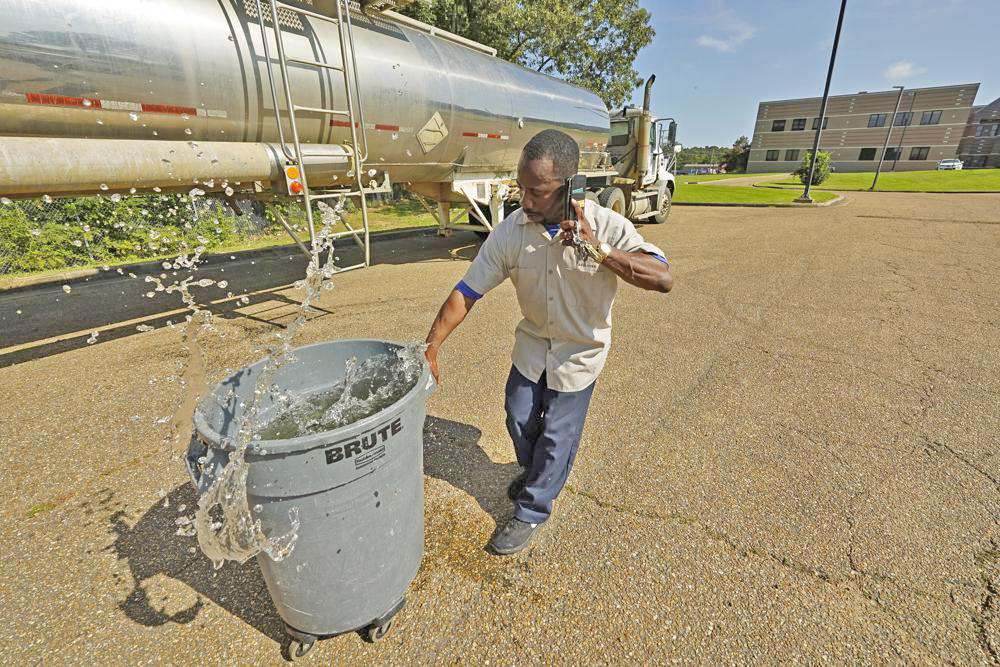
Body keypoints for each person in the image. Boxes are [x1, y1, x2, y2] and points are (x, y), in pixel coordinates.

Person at [423, 129, 673, 555]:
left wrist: (600, 252)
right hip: (533, 348)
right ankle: (537, 470)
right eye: (521, 188)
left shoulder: (607, 225)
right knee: (519, 420)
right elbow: (467, 292)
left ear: (569, 186)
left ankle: (533, 508)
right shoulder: (512, 231)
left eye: (536, 191)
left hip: (579, 353)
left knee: (557, 436)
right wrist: (431, 346)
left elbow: (662, 278)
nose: (526, 200)